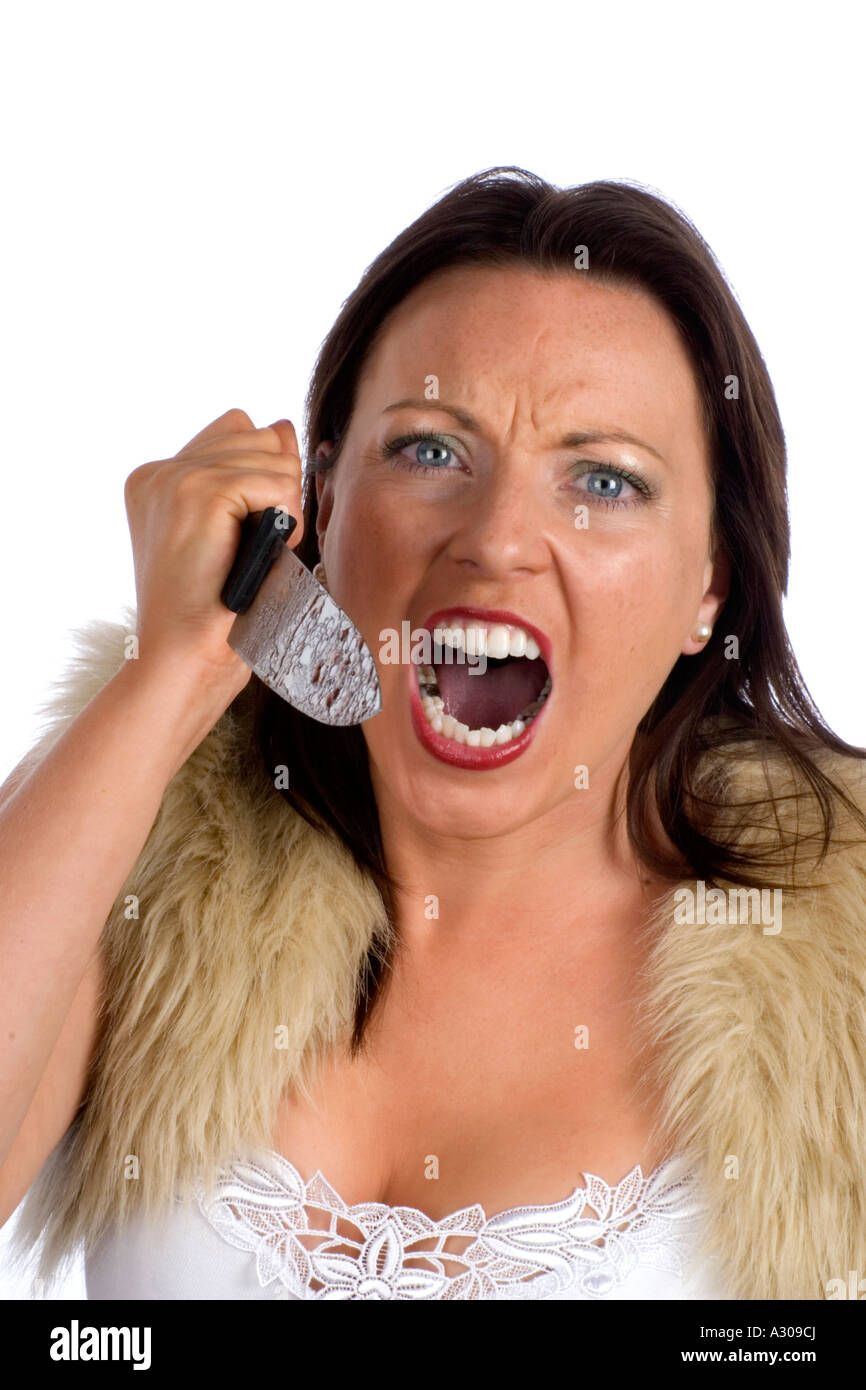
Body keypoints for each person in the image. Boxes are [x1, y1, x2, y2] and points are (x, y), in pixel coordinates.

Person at [2, 166, 865, 1301]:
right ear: (318, 502)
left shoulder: (841, 957)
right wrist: (165, 677)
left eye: (603, 478)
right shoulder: (135, 822)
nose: (496, 538)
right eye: (428, 450)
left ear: (709, 585)